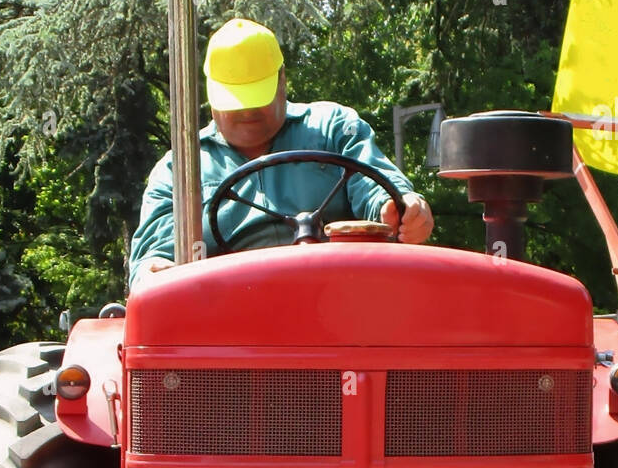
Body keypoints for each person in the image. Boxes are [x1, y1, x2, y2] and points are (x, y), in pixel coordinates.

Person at [130, 18, 434, 285]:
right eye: (237, 99)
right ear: (211, 94)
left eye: (257, 96)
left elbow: (376, 187)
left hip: (340, 299)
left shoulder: (333, 129)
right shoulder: (179, 170)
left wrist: (402, 210)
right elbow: (152, 256)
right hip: (228, 316)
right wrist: (152, 269)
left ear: (282, 81)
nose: (248, 110)